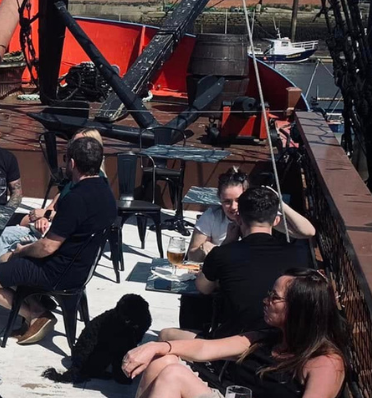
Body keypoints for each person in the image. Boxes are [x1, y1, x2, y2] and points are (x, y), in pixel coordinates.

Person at [0, 136, 117, 345]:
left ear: (73, 163)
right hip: (79, 269)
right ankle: (32, 309)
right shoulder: (105, 191)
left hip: (56, 273)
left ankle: (36, 313)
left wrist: (20, 251)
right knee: (4, 259)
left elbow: (47, 246)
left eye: (67, 159)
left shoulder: (75, 198)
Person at [122, 268, 347, 398]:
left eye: (274, 297)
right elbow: (205, 348)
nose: (265, 300)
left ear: (299, 308)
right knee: (164, 360)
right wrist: (156, 346)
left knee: (174, 374)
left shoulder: (324, 362)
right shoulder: (268, 336)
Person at [159, 187, 313, 342]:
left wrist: (227, 244)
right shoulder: (298, 254)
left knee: (166, 335)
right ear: (276, 221)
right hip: (282, 342)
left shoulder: (222, 254)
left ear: (239, 219)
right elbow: (309, 231)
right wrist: (278, 201)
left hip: (233, 344)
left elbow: (203, 288)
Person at [0, 127, 103, 265]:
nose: (71, 148)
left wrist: (46, 215)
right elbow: (54, 204)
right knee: (13, 225)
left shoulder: (88, 185)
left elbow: (74, 220)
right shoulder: (74, 181)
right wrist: (45, 216)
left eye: (78, 144)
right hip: (51, 229)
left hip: (56, 242)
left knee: (6, 234)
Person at [188, 170, 315, 262]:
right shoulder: (212, 216)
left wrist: (280, 203)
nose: (233, 207)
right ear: (219, 200)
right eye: (227, 202)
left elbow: (308, 232)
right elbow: (192, 256)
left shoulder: (259, 215)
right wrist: (202, 249)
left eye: (238, 200)